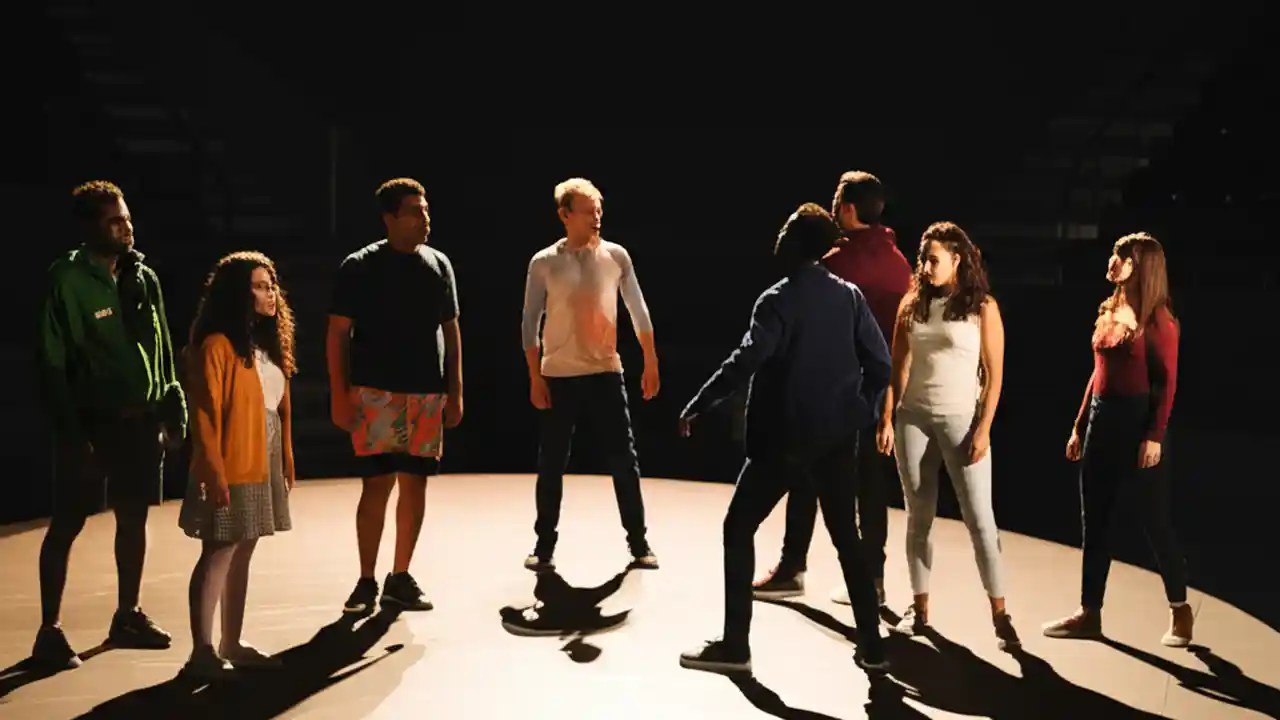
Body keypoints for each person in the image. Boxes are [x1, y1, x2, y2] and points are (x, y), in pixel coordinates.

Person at [677, 203, 891, 675]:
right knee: (847, 541)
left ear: (795, 241)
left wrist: (700, 401)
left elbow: (746, 360)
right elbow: (880, 365)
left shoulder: (776, 299)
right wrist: (860, 411)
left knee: (738, 528)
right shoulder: (849, 297)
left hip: (784, 439)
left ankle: (736, 646)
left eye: (789, 228)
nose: (781, 234)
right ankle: (874, 649)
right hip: (835, 437)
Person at [32, 180, 187, 669]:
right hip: (92, 422)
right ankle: (49, 631)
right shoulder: (67, 279)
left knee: (134, 517)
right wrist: (74, 434)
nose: (126, 227)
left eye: (127, 217)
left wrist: (171, 404)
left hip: (140, 424)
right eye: (114, 221)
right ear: (90, 227)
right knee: (67, 523)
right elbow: (53, 362)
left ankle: (128, 614)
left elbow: (162, 345)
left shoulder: (144, 276)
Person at [751, 171, 911, 607]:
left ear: (845, 210)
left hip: (833, 390)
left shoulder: (835, 265)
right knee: (869, 486)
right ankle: (872, 580)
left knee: (808, 475)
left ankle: (792, 567)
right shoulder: (901, 264)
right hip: (881, 389)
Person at [1042, 232, 1191, 647]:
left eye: (1123, 256)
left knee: (1155, 522)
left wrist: (1154, 436)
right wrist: (1078, 425)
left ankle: (1180, 610)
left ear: (1142, 267)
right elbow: (1098, 374)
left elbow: (1167, 383)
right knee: (1096, 522)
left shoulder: (1158, 321)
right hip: (1102, 422)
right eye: (1115, 253)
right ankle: (1090, 611)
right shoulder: (1109, 310)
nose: (1114, 260)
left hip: (1137, 422)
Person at [877, 221, 1019, 651]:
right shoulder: (912, 305)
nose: (925, 266)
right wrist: (887, 418)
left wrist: (984, 429)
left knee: (980, 520)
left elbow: (994, 376)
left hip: (962, 421)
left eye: (934, 259)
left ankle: (1000, 612)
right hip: (914, 419)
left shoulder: (982, 307)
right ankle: (919, 608)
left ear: (958, 261)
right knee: (918, 516)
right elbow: (896, 367)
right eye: (923, 258)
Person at [328, 178, 463, 615]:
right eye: (415, 211)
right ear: (390, 217)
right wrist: (340, 392)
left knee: (416, 483)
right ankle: (366, 579)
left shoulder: (439, 264)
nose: (425, 219)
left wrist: (455, 390)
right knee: (377, 484)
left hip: (425, 391)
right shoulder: (360, 265)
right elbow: (337, 333)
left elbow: (451, 330)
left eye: (426, 210)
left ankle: (399, 576)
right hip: (375, 391)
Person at [520, 177, 659, 571]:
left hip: (604, 370)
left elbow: (638, 310)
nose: (596, 217)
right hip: (559, 374)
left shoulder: (616, 256)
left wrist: (650, 360)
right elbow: (529, 322)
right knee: (552, 463)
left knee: (623, 460)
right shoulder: (544, 262)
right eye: (587, 210)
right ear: (565, 214)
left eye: (599, 210)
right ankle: (544, 545)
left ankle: (639, 542)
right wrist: (534, 376)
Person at [178, 251, 297, 677]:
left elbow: (277, 405)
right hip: (232, 459)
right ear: (237, 294)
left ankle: (232, 640)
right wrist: (213, 469)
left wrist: (284, 456)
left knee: (243, 548)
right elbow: (205, 412)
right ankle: (202, 650)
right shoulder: (217, 345)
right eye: (260, 286)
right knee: (220, 548)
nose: (271, 294)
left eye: (272, 285)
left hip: (260, 458)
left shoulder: (262, 343)